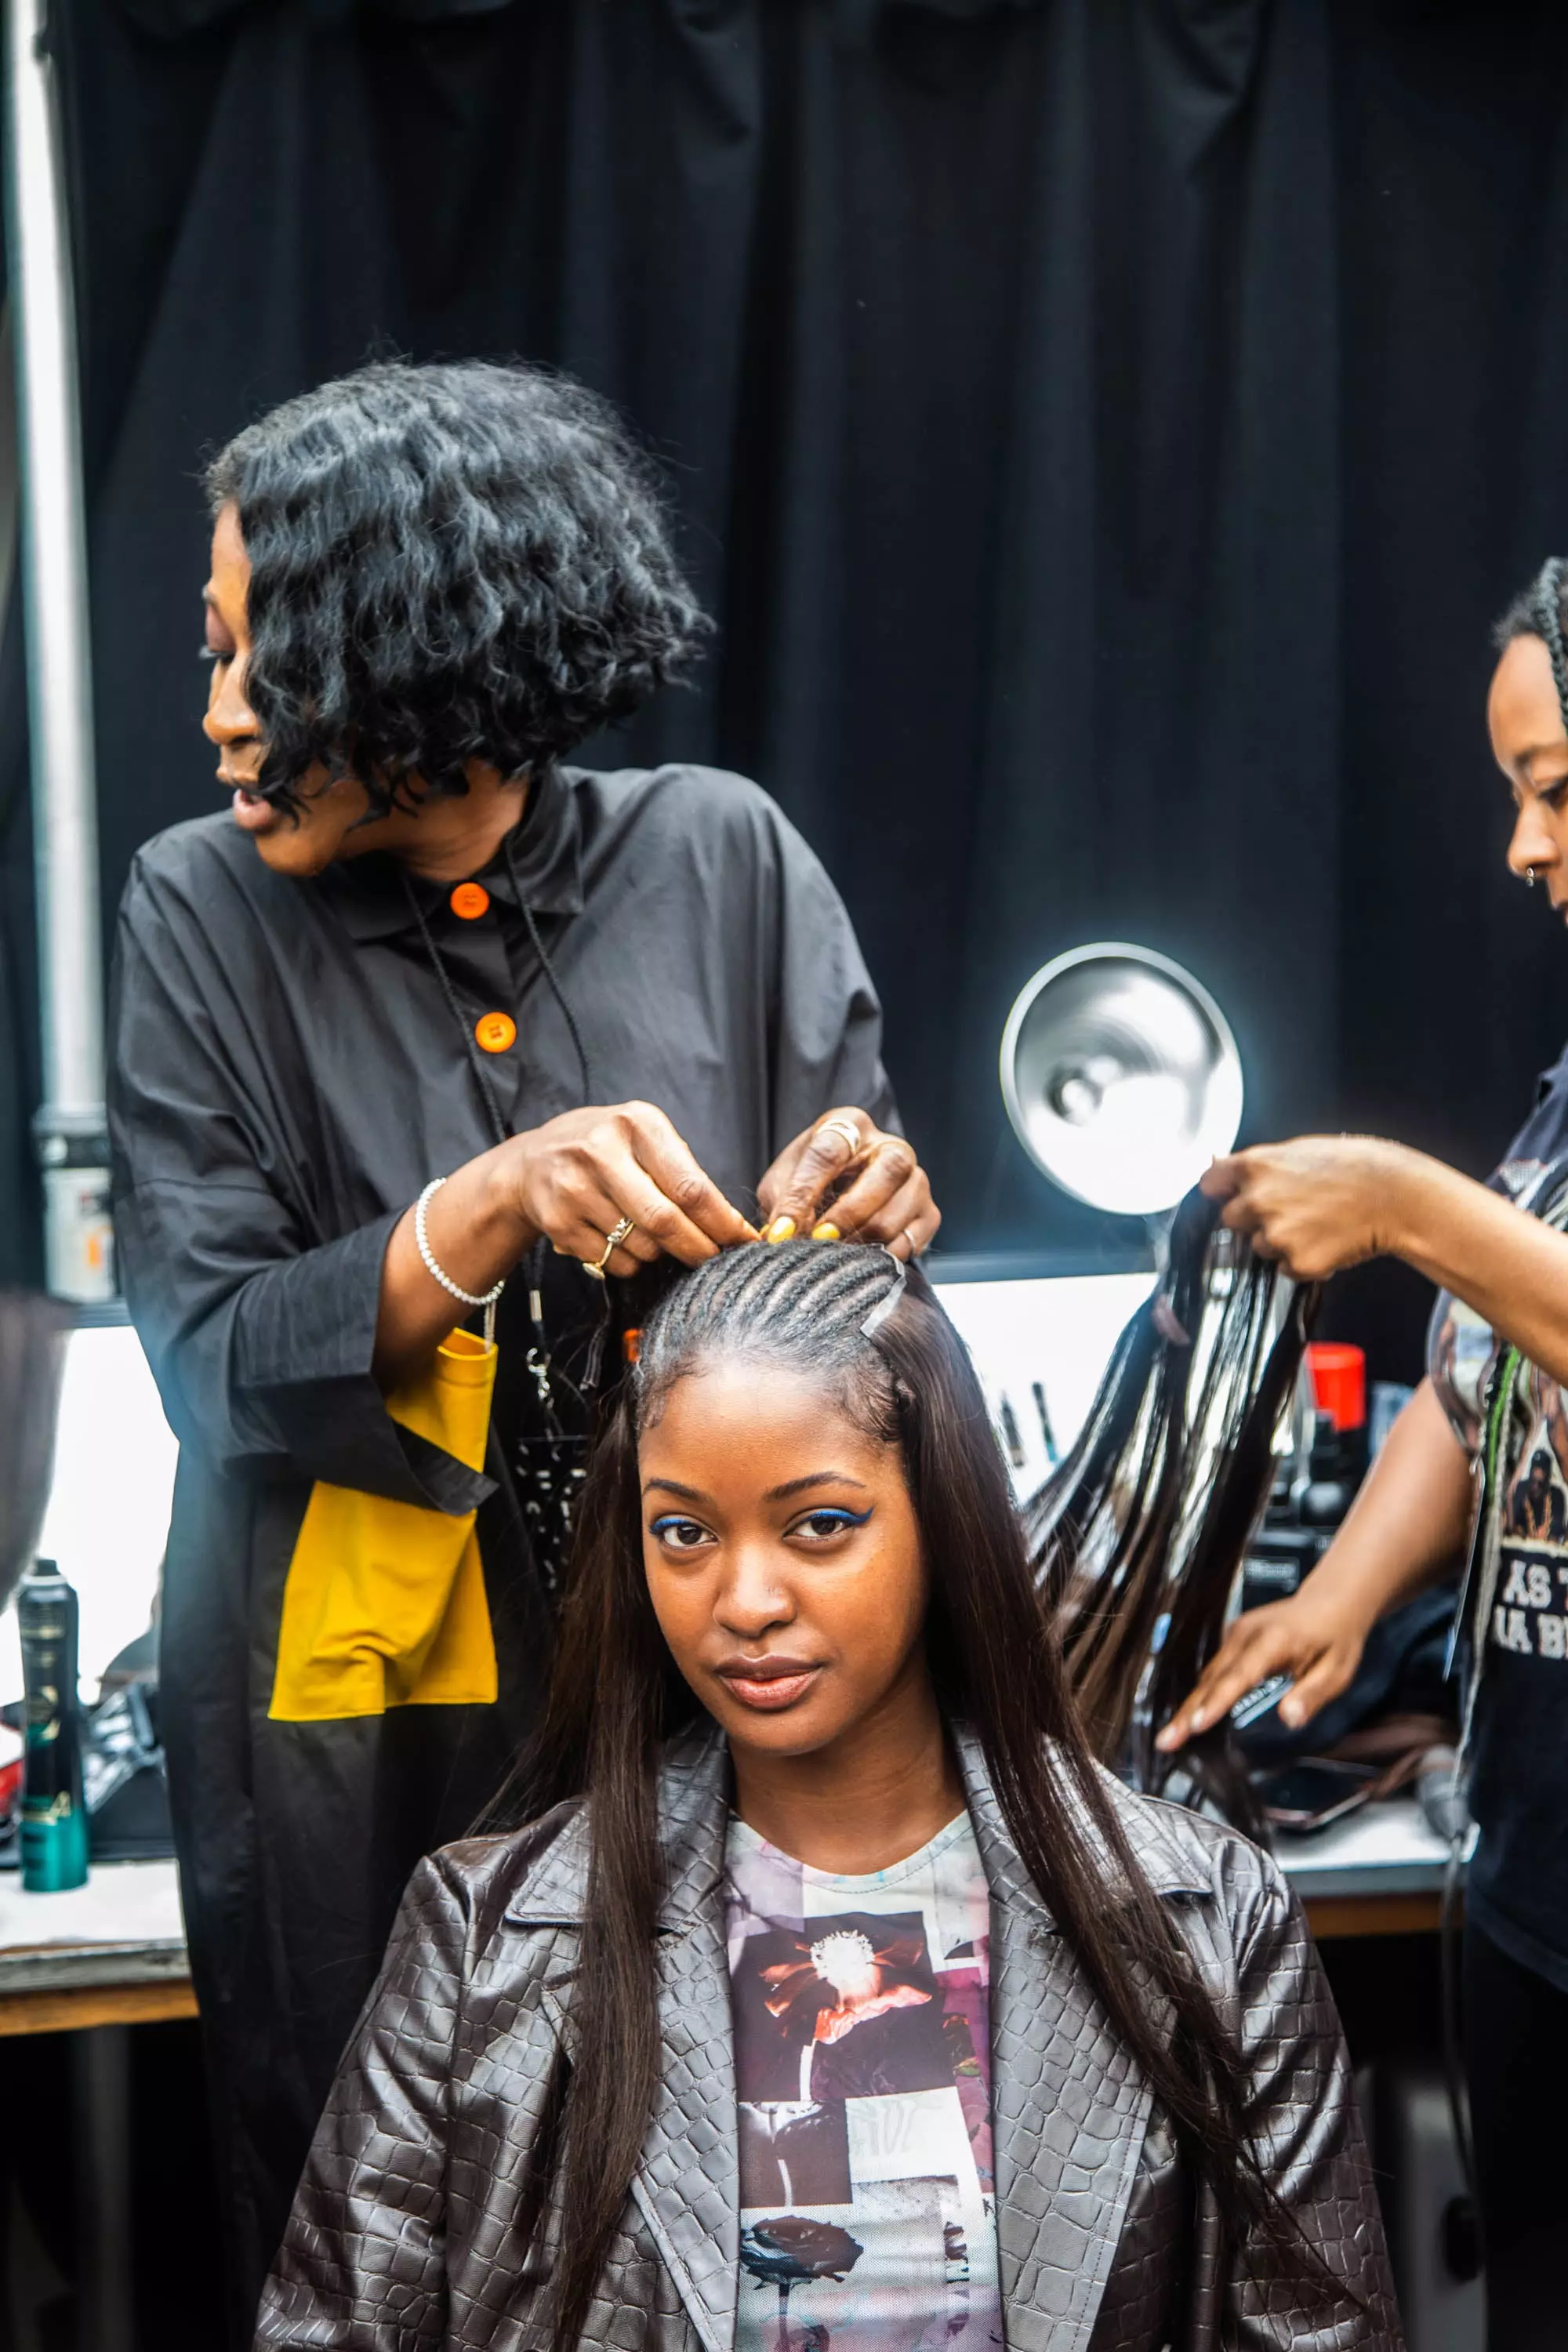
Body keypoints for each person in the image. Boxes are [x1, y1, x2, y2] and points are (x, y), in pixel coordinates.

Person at [107, 360, 940, 2341]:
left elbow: (864, 1339)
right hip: (373, 1772)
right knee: (405, 2254)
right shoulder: (198, 911)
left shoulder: (721, 855)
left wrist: (880, 1219)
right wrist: (477, 1214)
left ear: (405, 649)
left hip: (722, 1729)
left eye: (261, 655)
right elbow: (211, 1358)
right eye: (212, 652)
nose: (219, 711)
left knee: (768, 2237)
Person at [254, 1239, 1399, 2352]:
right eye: (684, 1532)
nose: (745, 1599)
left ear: (942, 1524)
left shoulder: (1212, 1920)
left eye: (820, 1525)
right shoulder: (482, 1939)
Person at [1159, 557, 1568, 2351]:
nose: (1521, 848)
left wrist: (1403, 1202)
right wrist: (1332, 1603)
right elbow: (1479, 1390)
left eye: (1551, 787)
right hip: (1539, 1879)